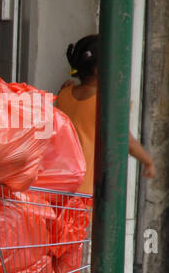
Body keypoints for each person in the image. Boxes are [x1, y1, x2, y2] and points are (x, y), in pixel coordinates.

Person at [57, 34, 156, 197]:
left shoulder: (64, 94)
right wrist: (148, 161)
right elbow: (126, 141)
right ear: (98, 70)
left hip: (62, 185)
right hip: (87, 190)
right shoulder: (106, 104)